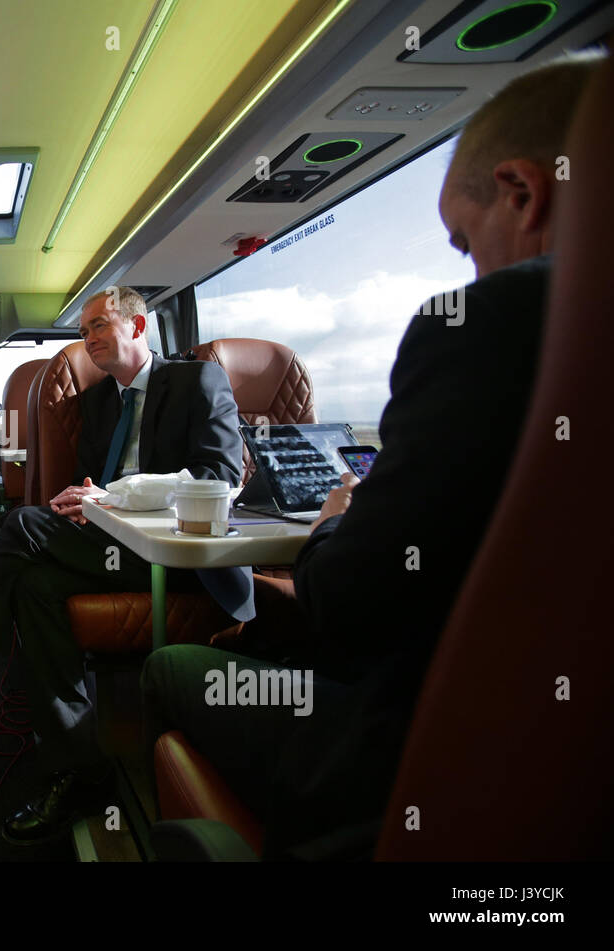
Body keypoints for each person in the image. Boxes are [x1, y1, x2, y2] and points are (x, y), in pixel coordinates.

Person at [139, 56, 601, 858]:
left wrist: (330, 526)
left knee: (172, 666)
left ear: (524, 194)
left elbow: (351, 605)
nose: (472, 267)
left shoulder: (487, 325)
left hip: (425, 744)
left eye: (463, 243)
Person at [0, 285, 254, 843]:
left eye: (100, 326)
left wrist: (115, 496)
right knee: (36, 586)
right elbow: (98, 484)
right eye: (84, 330)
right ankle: (79, 769)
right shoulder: (100, 402)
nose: (89, 339)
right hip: (120, 550)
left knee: (21, 525)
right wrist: (86, 497)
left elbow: (218, 479)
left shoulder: (196, 381)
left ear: (138, 327)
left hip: (183, 560)